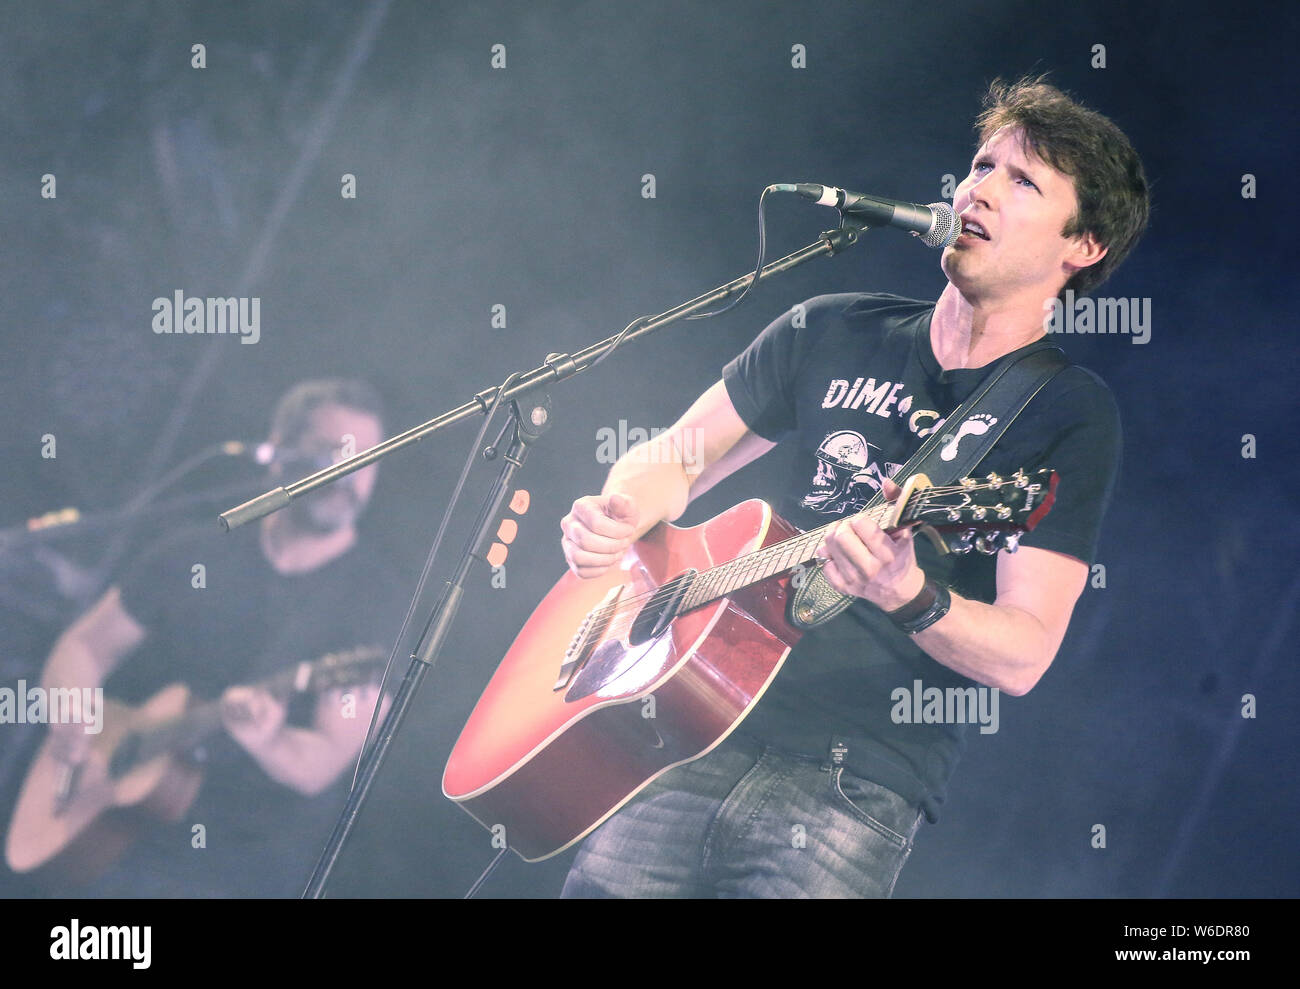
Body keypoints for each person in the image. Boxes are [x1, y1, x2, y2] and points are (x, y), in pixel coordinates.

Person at [557, 76, 1149, 897]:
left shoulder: (1066, 411)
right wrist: (622, 508)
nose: (979, 189)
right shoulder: (832, 323)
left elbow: (1024, 653)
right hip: (683, 731)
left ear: (1081, 247)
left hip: (851, 785)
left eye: (1023, 182)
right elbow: (678, 456)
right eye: (980, 165)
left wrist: (910, 593)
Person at [27, 378, 400, 897]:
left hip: (239, 866)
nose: (348, 475)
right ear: (278, 453)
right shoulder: (198, 549)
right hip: (104, 830)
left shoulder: (377, 605)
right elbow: (85, 645)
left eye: (368, 459)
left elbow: (321, 764)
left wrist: (268, 740)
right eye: (330, 453)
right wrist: (73, 716)